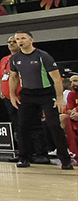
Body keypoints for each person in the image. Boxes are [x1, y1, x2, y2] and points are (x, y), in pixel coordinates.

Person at [8, 31, 73, 170]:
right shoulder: (15, 58)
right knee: (23, 126)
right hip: (27, 95)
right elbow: (13, 77)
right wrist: (12, 95)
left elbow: (56, 78)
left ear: (31, 40)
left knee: (53, 124)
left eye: (23, 38)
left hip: (46, 94)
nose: (20, 41)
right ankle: (24, 158)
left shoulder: (43, 56)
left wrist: (60, 98)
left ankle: (65, 160)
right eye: (17, 39)